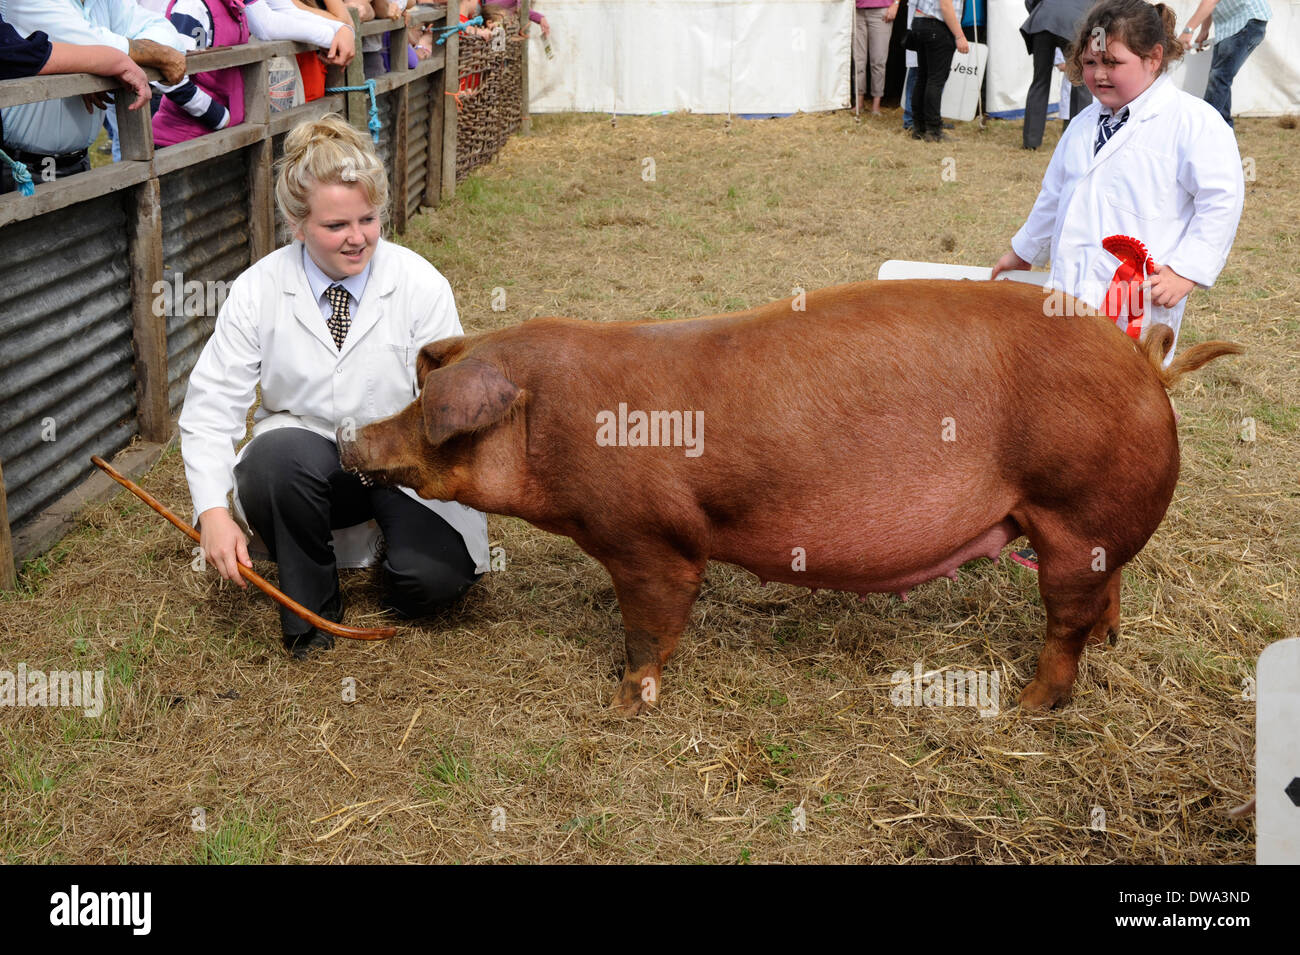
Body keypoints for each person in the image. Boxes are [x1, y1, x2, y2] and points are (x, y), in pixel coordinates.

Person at [179, 114, 489, 658]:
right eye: (335, 226)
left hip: (402, 463)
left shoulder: (419, 283)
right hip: (308, 458)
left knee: (433, 584)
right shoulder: (258, 291)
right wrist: (212, 512)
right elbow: (211, 408)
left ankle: (402, 558)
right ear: (297, 224)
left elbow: (449, 403)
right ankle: (311, 620)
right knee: (273, 461)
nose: (357, 239)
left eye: (368, 220)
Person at [991, 0, 1244, 568]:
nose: (1099, 73)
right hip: (1070, 292)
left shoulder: (1192, 122)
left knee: (1120, 416)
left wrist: (1187, 270)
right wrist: (1020, 250)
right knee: (1064, 409)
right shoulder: (1083, 124)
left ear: (1155, 59)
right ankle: (1055, 526)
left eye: (1115, 62)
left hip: (1139, 296)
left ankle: (1107, 531)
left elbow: (1221, 198)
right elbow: (1054, 197)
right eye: (1090, 61)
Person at [0, 0, 186, 190]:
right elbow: (96, 43)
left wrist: (99, 66)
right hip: (21, 166)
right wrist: (111, 62)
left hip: (79, 161)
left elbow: (169, 35)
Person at [1180, 0, 1271, 127]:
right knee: (1220, 79)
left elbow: (1210, 1)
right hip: (1230, 27)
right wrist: (1204, 30)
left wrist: (1188, 30)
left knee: (1218, 78)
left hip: (1246, 20)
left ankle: (1206, 128)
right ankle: (1223, 129)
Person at [1019, 0, 1094, 149]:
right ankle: (1077, 139)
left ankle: (1031, 141)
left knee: (1040, 81)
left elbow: (1030, 1)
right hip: (1073, 23)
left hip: (1042, 20)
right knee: (1080, 82)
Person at [910, 0, 968, 142]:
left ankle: (920, 127)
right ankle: (933, 130)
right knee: (935, 80)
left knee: (923, 77)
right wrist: (959, 35)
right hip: (936, 24)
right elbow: (945, 5)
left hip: (921, 22)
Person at [853, 0, 898, 119]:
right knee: (858, 60)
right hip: (857, 10)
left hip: (882, 10)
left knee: (878, 61)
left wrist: (896, 4)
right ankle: (859, 103)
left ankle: (876, 105)